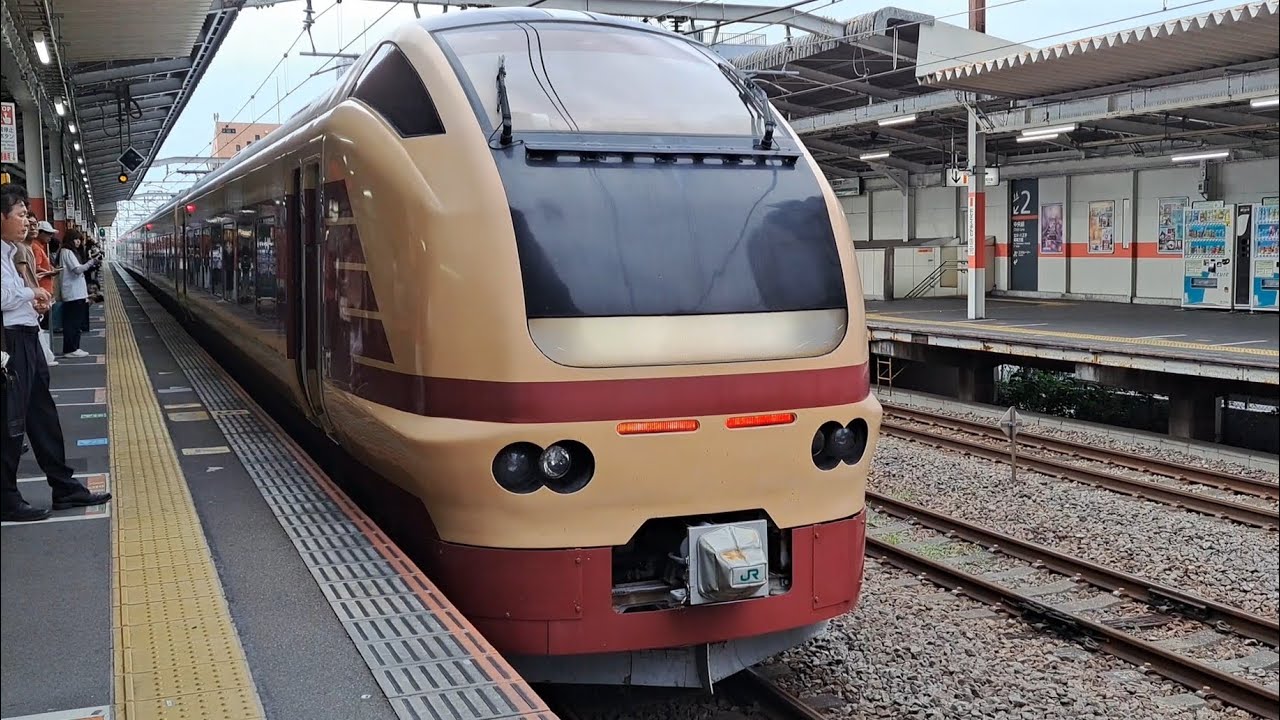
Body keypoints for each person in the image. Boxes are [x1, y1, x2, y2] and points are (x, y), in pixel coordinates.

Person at [1, 183, 111, 522]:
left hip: (27, 337)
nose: (26, 221)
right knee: (11, 422)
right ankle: (6, 496)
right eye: (20, 214)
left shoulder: (9, 252)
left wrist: (33, 301)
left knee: (42, 417)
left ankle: (64, 487)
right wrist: (32, 292)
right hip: (11, 342)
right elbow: (4, 299)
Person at [56, 229, 99, 357]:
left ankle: (74, 348)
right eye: (75, 239)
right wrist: (92, 262)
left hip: (76, 293)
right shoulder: (67, 252)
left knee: (75, 322)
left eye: (79, 239)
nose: (78, 241)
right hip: (73, 293)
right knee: (72, 322)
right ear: (69, 239)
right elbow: (77, 270)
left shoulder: (66, 252)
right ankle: (71, 349)